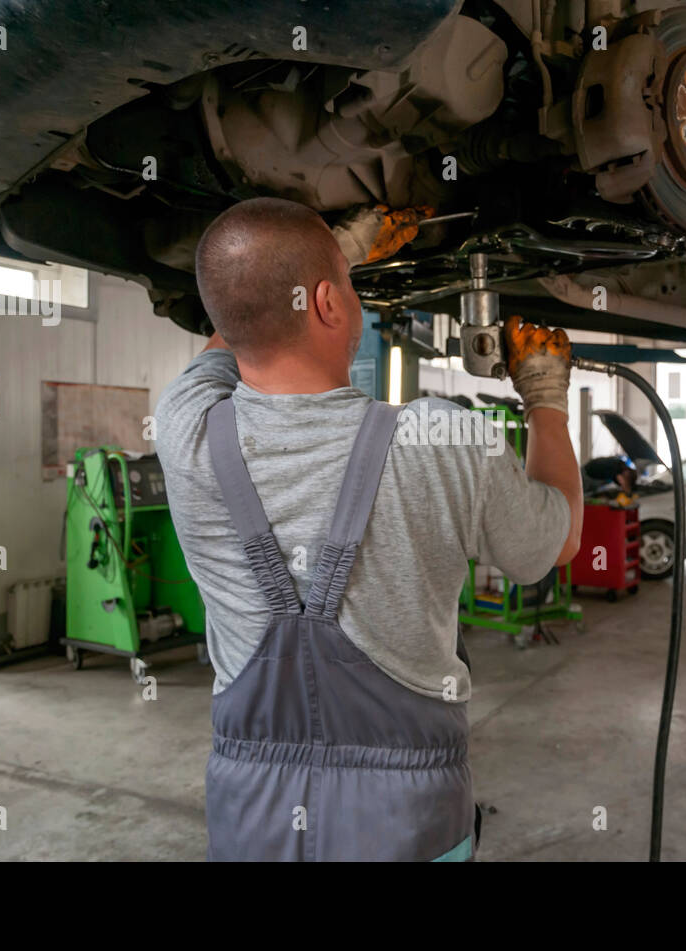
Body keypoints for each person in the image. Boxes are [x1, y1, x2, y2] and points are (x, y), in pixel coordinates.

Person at [153, 197, 582, 861]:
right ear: (327, 304)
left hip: (251, 828)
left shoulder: (186, 430)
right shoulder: (444, 439)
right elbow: (555, 543)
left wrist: (332, 257)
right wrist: (546, 397)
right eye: (348, 287)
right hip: (406, 829)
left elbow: (235, 324)